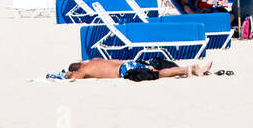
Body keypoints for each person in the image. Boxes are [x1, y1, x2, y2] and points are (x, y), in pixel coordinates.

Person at [59, 57, 213, 80]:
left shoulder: (84, 70)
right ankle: (194, 69)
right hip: (127, 63)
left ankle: (185, 69)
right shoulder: (94, 60)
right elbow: (115, 59)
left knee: (157, 74)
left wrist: (68, 74)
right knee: (154, 65)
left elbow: (73, 78)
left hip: (124, 72)